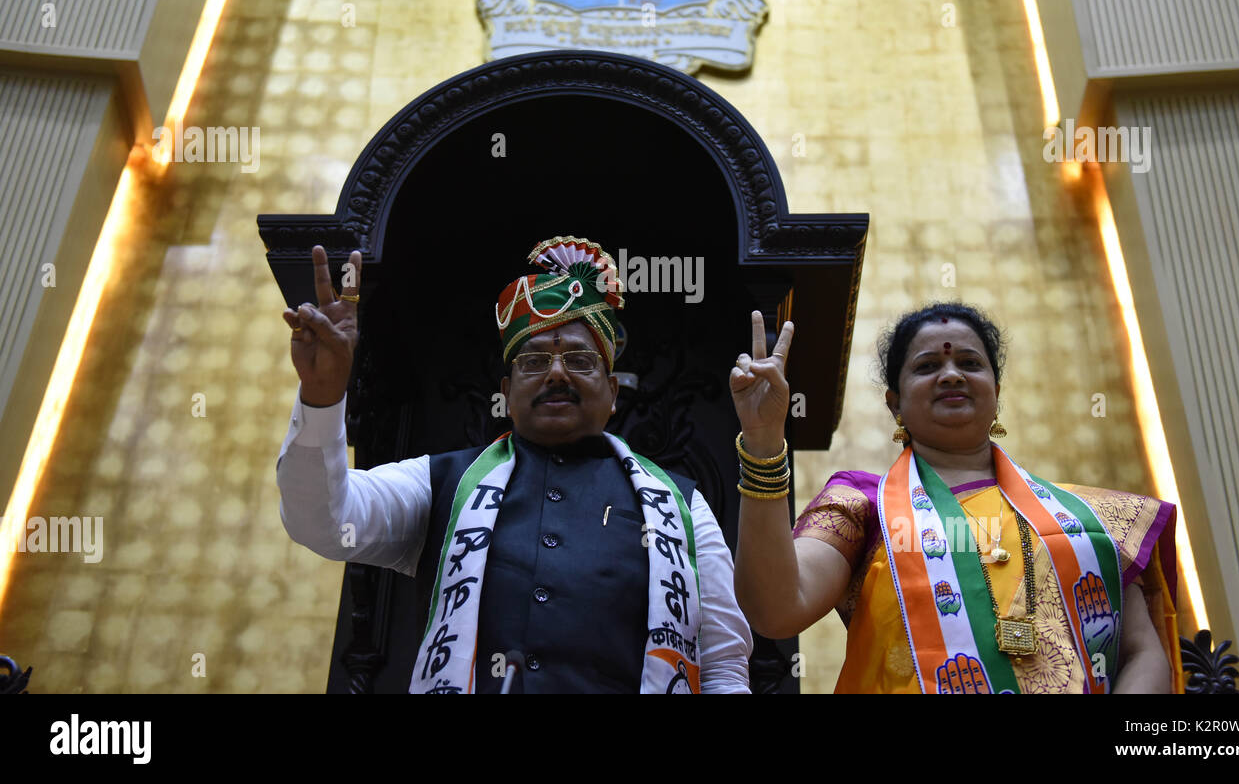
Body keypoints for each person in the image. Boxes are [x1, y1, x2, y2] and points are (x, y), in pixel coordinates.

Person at [276, 236, 751, 693]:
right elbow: (324, 520)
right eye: (534, 360)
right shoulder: (441, 483)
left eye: (581, 361)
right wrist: (322, 396)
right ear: (505, 393)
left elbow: (725, 671)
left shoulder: (683, 506)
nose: (557, 372)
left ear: (612, 393)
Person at [729, 302, 1182, 693]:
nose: (950, 374)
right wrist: (764, 441)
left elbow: (1143, 653)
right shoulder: (865, 504)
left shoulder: (1088, 517)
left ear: (996, 393)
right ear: (895, 403)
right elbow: (777, 607)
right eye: (926, 367)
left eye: (970, 363)